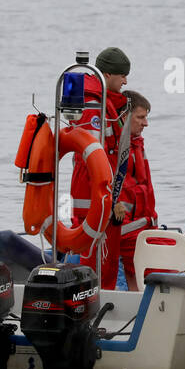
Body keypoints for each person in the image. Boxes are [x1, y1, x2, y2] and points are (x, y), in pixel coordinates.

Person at [70, 47, 133, 289]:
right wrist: (108, 198)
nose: (125, 81)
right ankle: (96, 310)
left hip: (93, 194)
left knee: (100, 263)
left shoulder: (99, 102)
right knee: (98, 264)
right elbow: (96, 158)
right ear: (107, 76)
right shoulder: (94, 106)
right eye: (122, 75)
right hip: (95, 196)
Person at [116, 90, 157, 290]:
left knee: (138, 274)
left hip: (141, 225)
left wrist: (151, 222)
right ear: (124, 117)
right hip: (126, 229)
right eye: (141, 117)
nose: (145, 123)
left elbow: (146, 188)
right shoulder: (116, 148)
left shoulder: (137, 145)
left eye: (146, 117)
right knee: (161, 267)